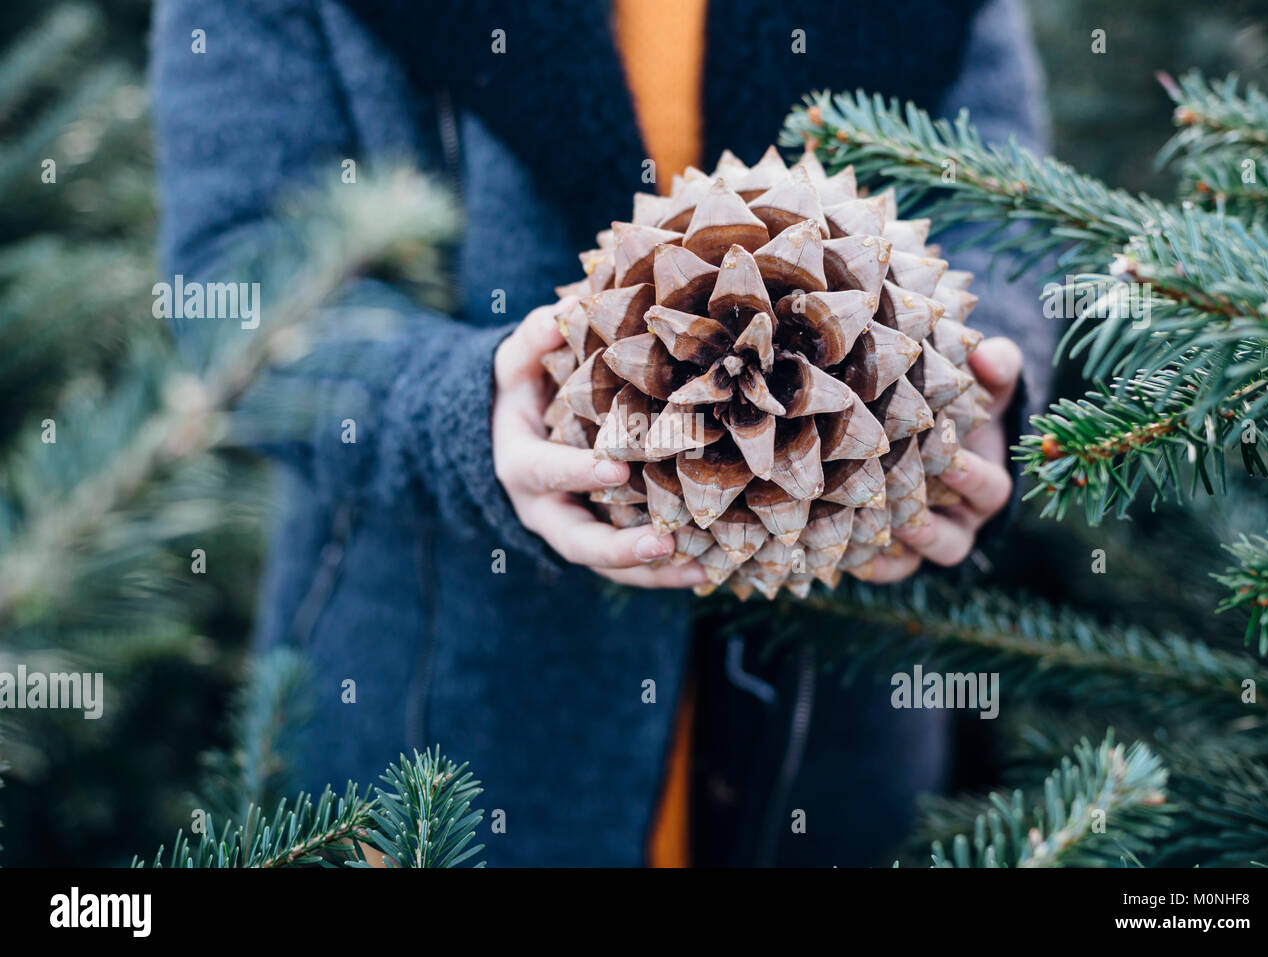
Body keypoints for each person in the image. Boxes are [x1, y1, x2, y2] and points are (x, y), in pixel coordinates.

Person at [152, 0, 1052, 866]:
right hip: (439, 721)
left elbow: (1012, 219)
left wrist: (968, 395)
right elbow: (231, 283)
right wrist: (455, 408)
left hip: (829, 742)